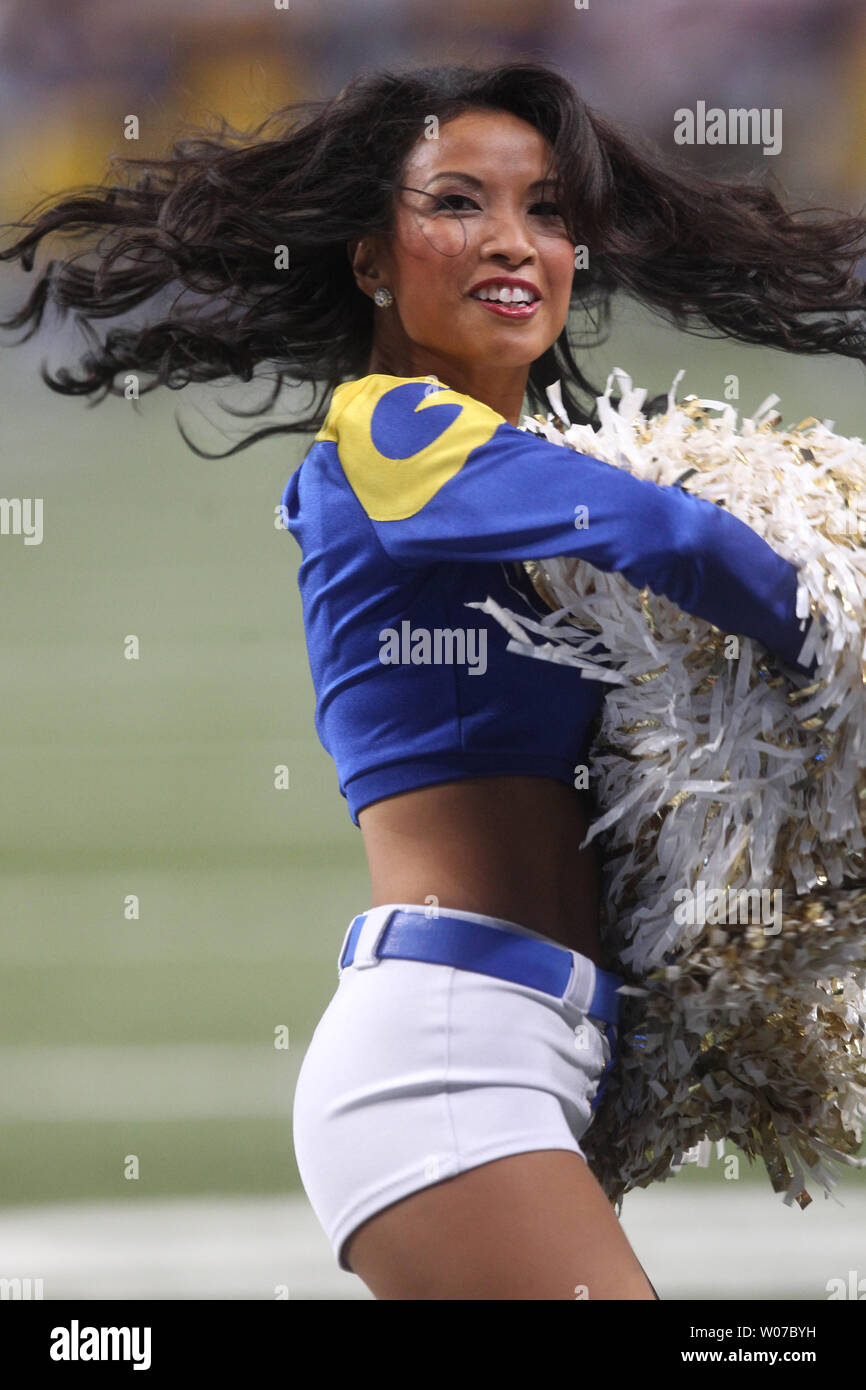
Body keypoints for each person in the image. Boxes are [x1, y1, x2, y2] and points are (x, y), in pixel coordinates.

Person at [2, 59, 863, 1302]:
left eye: (548, 210)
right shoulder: (388, 430)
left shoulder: (516, 466)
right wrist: (829, 626)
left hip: (534, 1049)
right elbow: (666, 536)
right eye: (458, 202)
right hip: (445, 1063)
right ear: (368, 257)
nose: (514, 241)